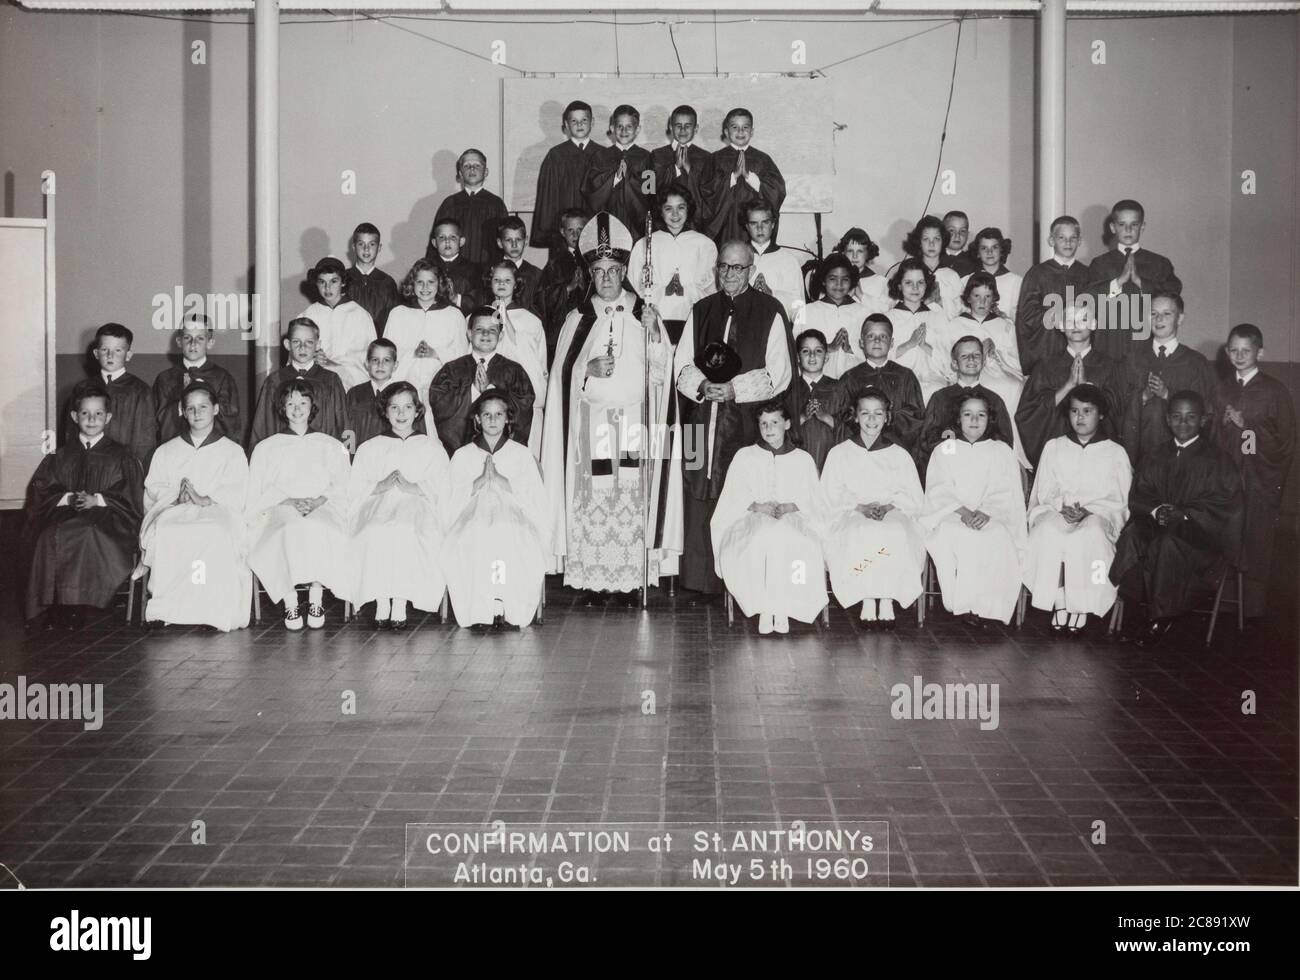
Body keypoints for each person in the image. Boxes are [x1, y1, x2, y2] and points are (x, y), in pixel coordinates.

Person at [543, 211, 682, 600]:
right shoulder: (578, 318)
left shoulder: (644, 314)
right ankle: (594, 580)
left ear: (625, 271)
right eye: (599, 271)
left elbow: (662, 373)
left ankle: (631, 579)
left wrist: (655, 334)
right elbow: (561, 377)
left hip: (636, 423)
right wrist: (583, 371)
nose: (606, 278)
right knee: (595, 499)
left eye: (613, 270)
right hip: (593, 425)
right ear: (590, 274)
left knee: (631, 498)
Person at [674, 239, 793, 594]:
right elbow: (680, 364)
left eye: (738, 267)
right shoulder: (702, 309)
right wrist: (703, 384)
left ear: (751, 270)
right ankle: (697, 578)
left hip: (742, 421)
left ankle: (737, 579)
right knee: (693, 486)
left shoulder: (770, 310)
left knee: (738, 492)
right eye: (724, 266)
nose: (729, 274)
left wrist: (733, 390)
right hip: (698, 420)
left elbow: (779, 373)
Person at [1110, 391, 1241, 647]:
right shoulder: (1156, 454)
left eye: (1191, 417)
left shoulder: (1218, 460)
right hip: (1159, 526)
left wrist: (1185, 513)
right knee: (1133, 536)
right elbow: (1139, 494)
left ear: (1203, 420)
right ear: (1168, 420)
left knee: (1166, 544)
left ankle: (1161, 616)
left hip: (1200, 537)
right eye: (1177, 417)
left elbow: (1225, 505)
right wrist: (1156, 510)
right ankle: (1134, 610)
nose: (1183, 423)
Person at [24, 385, 143, 629]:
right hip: (64, 513)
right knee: (49, 534)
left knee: (86, 532)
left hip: (111, 517)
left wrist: (98, 499)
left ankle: (79, 606)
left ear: (108, 417)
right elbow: (41, 492)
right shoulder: (60, 456)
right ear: (74, 416)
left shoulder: (122, 455)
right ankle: (52, 605)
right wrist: (67, 498)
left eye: (98, 414)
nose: (92, 419)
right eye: (85, 413)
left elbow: (131, 498)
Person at [140, 382, 251, 631]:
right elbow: (153, 487)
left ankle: (210, 610)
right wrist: (175, 497)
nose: (197, 413)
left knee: (212, 531)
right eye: (190, 408)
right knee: (169, 531)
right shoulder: (166, 451)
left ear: (215, 409)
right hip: (174, 510)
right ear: (182, 411)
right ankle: (168, 610)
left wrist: (206, 498)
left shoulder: (232, 451)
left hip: (218, 511)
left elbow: (238, 490)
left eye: (203, 407)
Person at [710, 399, 828, 634]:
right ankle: (764, 608)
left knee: (794, 540)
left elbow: (814, 499)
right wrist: (756, 506)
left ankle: (783, 608)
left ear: (787, 424)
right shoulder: (745, 456)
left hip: (793, 517)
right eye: (763, 423)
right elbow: (733, 495)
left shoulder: (802, 459)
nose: (769, 428)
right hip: (753, 517)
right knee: (761, 537)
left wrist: (791, 506)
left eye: (774, 422)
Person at [1023, 384, 1132, 633]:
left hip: (1098, 515)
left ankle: (1082, 604)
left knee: (1089, 536)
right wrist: (1061, 505)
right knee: (1047, 532)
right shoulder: (1054, 446)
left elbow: (1119, 498)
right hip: (1058, 510)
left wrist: (1089, 511)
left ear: (1101, 414)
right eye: (1074, 411)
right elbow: (1044, 488)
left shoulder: (1115, 453)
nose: (1080, 417)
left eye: (1087, 411)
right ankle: (1059, 600)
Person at [246, 378, 352, 631]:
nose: (297, 408)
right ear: (281, 407)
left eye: (303, 402)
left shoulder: (332, 445)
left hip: (323, 505)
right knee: (288, 530)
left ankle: (316, 597)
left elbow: (344, 486)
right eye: (290, 403)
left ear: (312, 406)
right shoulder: (266, 448)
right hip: (280, 506)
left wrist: (318, 501)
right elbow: (257, 491)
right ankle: (290, 599)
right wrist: (288, 500)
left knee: (321, 529)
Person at [442, 392, 551, 632]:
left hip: (513, 513)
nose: (493, 420)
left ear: (507, 419)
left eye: (498, 414)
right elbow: (449, 498)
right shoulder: (463, 455)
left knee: (506, 533)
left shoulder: (521, 455)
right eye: (487, 415)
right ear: (478, 419)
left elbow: (536, 498)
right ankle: (482, 607)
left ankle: (502, 602)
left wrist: (504, 482)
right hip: (472, 515)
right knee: (478, 533)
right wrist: (477, 483)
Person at [346, 381, 450, 630]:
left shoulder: (432, 448)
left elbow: (444, 486)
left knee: (405, 530)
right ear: (385, 411)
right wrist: (377, 485)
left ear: (417, 411)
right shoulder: (369, 447)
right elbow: (354, 486)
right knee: (375, 531)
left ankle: (400, 601)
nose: (401, 414)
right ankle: (382, 600)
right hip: (377, 504)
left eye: (407, 407)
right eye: (394, 407)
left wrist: (416, 487)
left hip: (418, 504)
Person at [821, 388, 926, 628]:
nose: (871, 420)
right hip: (851, 512)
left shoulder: (899, 455)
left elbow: (913, 497)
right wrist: (859, 506)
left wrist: (890, 505)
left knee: (895, 532)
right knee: (861, 532)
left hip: (893, 511)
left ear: (887, 417)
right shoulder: (839, 453)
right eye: (865, 413)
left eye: (878, 414)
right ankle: (867, 597)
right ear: (855, 416)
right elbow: (829, 494)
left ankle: (887, 598)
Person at [920, 391, 1027, 626]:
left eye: (981, 414)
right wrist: (964, 512)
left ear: (990, 418)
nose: (975, 420)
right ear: (958, 419)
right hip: (952, 514)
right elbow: (939, 489)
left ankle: (989, 607)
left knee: (996, 536)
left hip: (992, 515)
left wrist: (986, 511)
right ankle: (962, 605)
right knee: (959, 535)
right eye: (968, 414)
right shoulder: (945, 449)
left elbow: (1007, 491)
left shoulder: (1002, 451)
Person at [1215, 323, 1296, 620]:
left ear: (1260, 352)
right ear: (1226, 352)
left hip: (1259, 481)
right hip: (1227, 478)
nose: (1239, 355)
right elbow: (1215, 438)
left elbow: (1282, 443)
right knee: (1224, 539)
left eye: (1246, 350)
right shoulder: (1222, 388)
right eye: (1233, 350)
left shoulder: (1274, 391)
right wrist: (1223, 427)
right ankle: (1222, 605)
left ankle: (1250, 611)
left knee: (1255, 542)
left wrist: (1245, 429)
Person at [1015, 303, 1121, 468]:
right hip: (1057, 455)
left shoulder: (1109, 366)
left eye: (1083, 320)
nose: (1076, 325)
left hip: (1098, 457)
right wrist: (1067, 387)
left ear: (1093, 325)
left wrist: (1086, 386)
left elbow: (1118, 410)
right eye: (1070, 320)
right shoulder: (1045, 366)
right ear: (1061, 326)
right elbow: (1028, 413)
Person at [1118, 291, 1217, 466]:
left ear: (1180, 318)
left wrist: (1167, 394)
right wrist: (1142, 397)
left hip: (1182, 461)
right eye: (1153, 314)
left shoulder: (1196, 363)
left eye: (1166, 314)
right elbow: (1116, 407)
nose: (1159, 319)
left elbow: (1207, 413)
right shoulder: (1132, 360)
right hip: (1140, 458)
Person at [428, 309, 534, 456]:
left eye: (492, 330)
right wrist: (473, 391)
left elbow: (523, 409)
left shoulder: (514, 370)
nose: (485, 334)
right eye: (479, 329)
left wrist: (489, 391)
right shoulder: (451, 370)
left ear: (501, 335)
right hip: (462, 455)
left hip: (502, 455)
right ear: (469, 334)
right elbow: (441, 406)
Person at [1087, 199, 1183, 360]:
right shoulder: (1100, 264)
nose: (1128, 229)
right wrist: (1118, 283)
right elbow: (1087, 299)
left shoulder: (1159, 263)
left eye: (1134, 224)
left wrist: (1140, 282)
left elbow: (1173, 295)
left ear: (1142, 226)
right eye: (1122, 224)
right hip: (1110, 340)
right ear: (1113, 227)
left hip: (1146, 340)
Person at [916, 338, 1023, 475]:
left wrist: (980, 454)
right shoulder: (940, 398)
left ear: (983, 362)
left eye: (977, 355)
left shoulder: (994, 399)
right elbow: (927, 438)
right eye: (964, 356)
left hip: (985, 469)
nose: (971, 359)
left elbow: (1004, 439)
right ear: (954, 364)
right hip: (949, 468)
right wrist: (956, 453)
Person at [627, 184, 718, 345]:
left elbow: (712, 289)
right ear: (660, 211)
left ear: (688, 209)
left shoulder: (704, 244)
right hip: (656, 321)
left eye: (681, 207)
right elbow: (634, 285)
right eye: (668, 208)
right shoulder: (644, 244)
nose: (675, 214)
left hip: (693, 320)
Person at [822, 314, 925, 452]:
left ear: (892, 342)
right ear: (861, 343)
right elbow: (841, 416)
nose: (877, 341)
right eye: (870, 336)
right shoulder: (850, 377)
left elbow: (916, 416)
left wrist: (890, 418)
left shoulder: (905, 376)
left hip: (896, 449)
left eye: (883, 336)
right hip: (859, 448)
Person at [247, 318, 348, 453]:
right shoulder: (275, 381)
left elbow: (344, 422)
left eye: (309, 342)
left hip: (322, 455)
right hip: (283, 455)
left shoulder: (330, 380)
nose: (302, 347)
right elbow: (261, 425)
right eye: (296, 342)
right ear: (287, 344)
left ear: (318, 345)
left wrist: (347, 458)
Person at [66, 322, 155, 467]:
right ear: (96, 353)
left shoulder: (140, 390)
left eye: (118, 350)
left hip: (123, 468)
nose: (110, 355)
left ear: (128, 355)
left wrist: (137, 471)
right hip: (86, 465)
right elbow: (71, 433)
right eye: (104, 349)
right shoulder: (82, 388)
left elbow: (145, 440)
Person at [485, 261, 548, 459]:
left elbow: (538, 363)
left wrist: (508, 324)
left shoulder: (531, 321)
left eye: (507, 280)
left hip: (522, 401)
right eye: (497, 280)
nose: (501, 284)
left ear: (516, 284)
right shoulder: (479, 316)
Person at [1015, 214, 1091, 373]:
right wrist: (1056, 316)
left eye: (1073, 238)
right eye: (1062, 237)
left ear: (1079, 241)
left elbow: (1095, 310)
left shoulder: (1087, 274)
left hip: (1079, 348)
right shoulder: (1037, 273)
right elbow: (1026, 315)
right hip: (1046, 348)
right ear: (1051, 241)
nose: (1068, 242)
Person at [383, 258, 469, 395]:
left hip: (442, 389)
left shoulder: (454, 315)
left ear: (440, 283)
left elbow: (463, 356)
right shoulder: (398, 313)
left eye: (431, 282)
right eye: (420, 282)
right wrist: (413, 353)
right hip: (405, 386)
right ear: (412, 284)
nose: (425, 288)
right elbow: (387, 354)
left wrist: (435, 353)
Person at [153, 313, 240, 444]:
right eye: (187, 337)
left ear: (210, 343)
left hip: (212, 449)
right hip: (175, 448)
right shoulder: (165, 378)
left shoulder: (222, 377)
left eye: (200, 338)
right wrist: (181, 402)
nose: (193, 344)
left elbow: (230, 420)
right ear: (179, 341)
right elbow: (158, 419)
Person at [704, 108, 786, 246]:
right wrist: (732, 177)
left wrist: (750, 178)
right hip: (726, 224)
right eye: (735, 127)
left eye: (745, 127)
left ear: (752, 131)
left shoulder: (763, 159)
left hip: (755, 225)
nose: (740, 132)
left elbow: (777, 191)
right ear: (726, 132)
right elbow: (707, 191)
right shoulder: (716, 159)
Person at [951, 271, 1024, 418]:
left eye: (987, 297)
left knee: (1014, 386)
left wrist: (996, 352)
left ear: (994, 299)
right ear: (968, 298)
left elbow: (1016, 359)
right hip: (968, 372)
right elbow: (949, 356)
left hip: (1000, 371)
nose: (982, 302)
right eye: (977, 296)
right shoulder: (956, 324)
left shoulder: (1005, 325)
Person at [298, 256, 376, 390]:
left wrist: (333, 365)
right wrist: (311, 358)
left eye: (333, 281)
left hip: (350, 384)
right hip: (316, 383)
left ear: (343, 282)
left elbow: (369, 358)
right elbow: (295, 353)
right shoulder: (308, 315)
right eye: (322, 282)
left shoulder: (359, 315)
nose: (327, 288)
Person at [532, 100, 599, 251]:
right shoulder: (556, 155)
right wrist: (551, 232)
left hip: (594, 230)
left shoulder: (603, 155)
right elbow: (547, 198)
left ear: (592, 122)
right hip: (563, 233)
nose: (579, 124)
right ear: (566, 125)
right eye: (574, 121)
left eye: (584, 120)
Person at [884, 257, 952, 404]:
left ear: (927, 285)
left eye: (920, 282)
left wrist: (925, 346)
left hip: (934, 382)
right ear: (900, 286)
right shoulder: (888, 319)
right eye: (909, 283)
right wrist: (909, 344)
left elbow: (949, 359)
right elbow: (881, 358)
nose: (915, 288)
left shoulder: (938, 318)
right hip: (898, 382)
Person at [581, 105, 654, 240]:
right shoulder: (600, 157)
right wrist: (614, 179)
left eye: (629, 127)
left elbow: (650, 194)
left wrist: (629, 181)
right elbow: (590, 191)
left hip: (636, 225)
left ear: (637, 129)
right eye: (619, 126)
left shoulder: (647, 157)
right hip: (607, 221)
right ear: (612, 128)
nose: (624, 130)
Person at [431, 149, 508, 266]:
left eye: (477, 165)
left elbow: (505, 240)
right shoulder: (450, 203)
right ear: (460, 173)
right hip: (455, 270)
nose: (472, 169)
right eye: (467, 166)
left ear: (486, 172)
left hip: (487, 270)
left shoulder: (496, 204)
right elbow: (437, 239)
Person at [802, 253, 868, 380]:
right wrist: (827, 348)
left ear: (851, 281)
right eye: (833, 279)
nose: (839, 284)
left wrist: (849, 349)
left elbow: (869, 354)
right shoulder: (807, 311)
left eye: (845, 279)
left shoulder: (863, 313)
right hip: (817, 382)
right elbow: (797, 350)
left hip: (853, 382)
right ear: (823, 280)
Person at [538, 207, 591, 363]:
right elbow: (543, 297)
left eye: (580, 230)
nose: (575, 235)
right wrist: (568, 288)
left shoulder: (593, 258)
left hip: (588, 325)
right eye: (570, 230)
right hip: (562, 327)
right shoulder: (556, 262)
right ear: (562, 232)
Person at [345, 339, 414, 453]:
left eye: (386, 360)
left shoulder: (405, 393)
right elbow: (347, 430)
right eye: (375, 360)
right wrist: (347, 458)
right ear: (367, 364)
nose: (380, 365)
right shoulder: (355, 394)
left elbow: (416, 432)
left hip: (396, 457)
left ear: (395, 365)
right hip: (361, 459)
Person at [744, 201, 805, 324]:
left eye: (765, 222)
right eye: (753, 223)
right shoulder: (737, 257)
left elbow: (799, 310)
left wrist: (772, 293)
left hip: (776, 327)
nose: (759, 228)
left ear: (773, 224)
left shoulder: (788, 260)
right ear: (746, 226)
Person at [649, 105, 715, 218]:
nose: (683, 130)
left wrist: (690, 170)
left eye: (688, 126)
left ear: (696, 128)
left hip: (696, 220)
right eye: (678, 125)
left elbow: (710, 193)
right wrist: (675, 168)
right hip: (665, 219)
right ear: (670, 127)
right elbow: (651, 191)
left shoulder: (706, 157)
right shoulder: (657, 155)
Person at [790, 329, 838, 472]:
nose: (812, 356)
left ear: (827, 357)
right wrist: (803, 417)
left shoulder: (839, 388)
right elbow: (779, 427)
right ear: (798, 357)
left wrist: (827, 418)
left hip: (831, 462)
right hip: (796, 464)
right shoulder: (789, 390)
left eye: (818, 351)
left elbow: (851, 428)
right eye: (805, 351)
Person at [895, 216, 962, 318]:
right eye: (926, 239)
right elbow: (897, 308)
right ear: (919, 242)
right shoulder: (909, 272)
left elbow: (961, 312)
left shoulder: (951, 275)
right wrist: (925, 302)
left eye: (936, 239)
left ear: (943, 241)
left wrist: (941, 301)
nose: (931, 244)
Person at [345, 222, 401, 334]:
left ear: (379, 247)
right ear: (353, 247)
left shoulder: (387, 283)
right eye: (361, 244)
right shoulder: (343, 279)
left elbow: (395, 320)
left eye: (372, 244)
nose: (366, 249)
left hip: (378, 345)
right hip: (348, 343)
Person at [424, 217, 484, 317]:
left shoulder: (474, 269)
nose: (447, 241)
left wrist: (456, 298)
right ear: (434, 243)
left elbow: (479, 300)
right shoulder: (426, 267)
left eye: (453, 237)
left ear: (461, 241)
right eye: (442, 238)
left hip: (461, 320)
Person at [960, 227, 1022, 322]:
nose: (989, 252)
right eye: (984, 248)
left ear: (1001, 251)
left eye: (994, 247)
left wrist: (1005, 318)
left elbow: (1020, 318)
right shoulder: (966, 280)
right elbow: (962, 312)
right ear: (978, 253)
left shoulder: (1016, 281)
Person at [834, 227, 890, 315]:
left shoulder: (881, 282)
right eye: (850, 251)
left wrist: (861, 296)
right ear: (843, 253)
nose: (854, 256)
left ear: (868, 253)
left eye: (860, 251)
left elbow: (887, 312)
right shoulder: (833, 281)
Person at [496, 215, 543, 316]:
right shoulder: (491, 272)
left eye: (518, 239)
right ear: (500, 243)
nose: (514, 244)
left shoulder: (536, 275)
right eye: (509, 240)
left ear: (526, 240)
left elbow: (541, 310)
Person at [941, 210, 978, 276]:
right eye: (951, 230)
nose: (957, 235)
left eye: (962, 231)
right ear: (942, 233)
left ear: (967, 235)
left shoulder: (973, 263)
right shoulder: (934, 258)